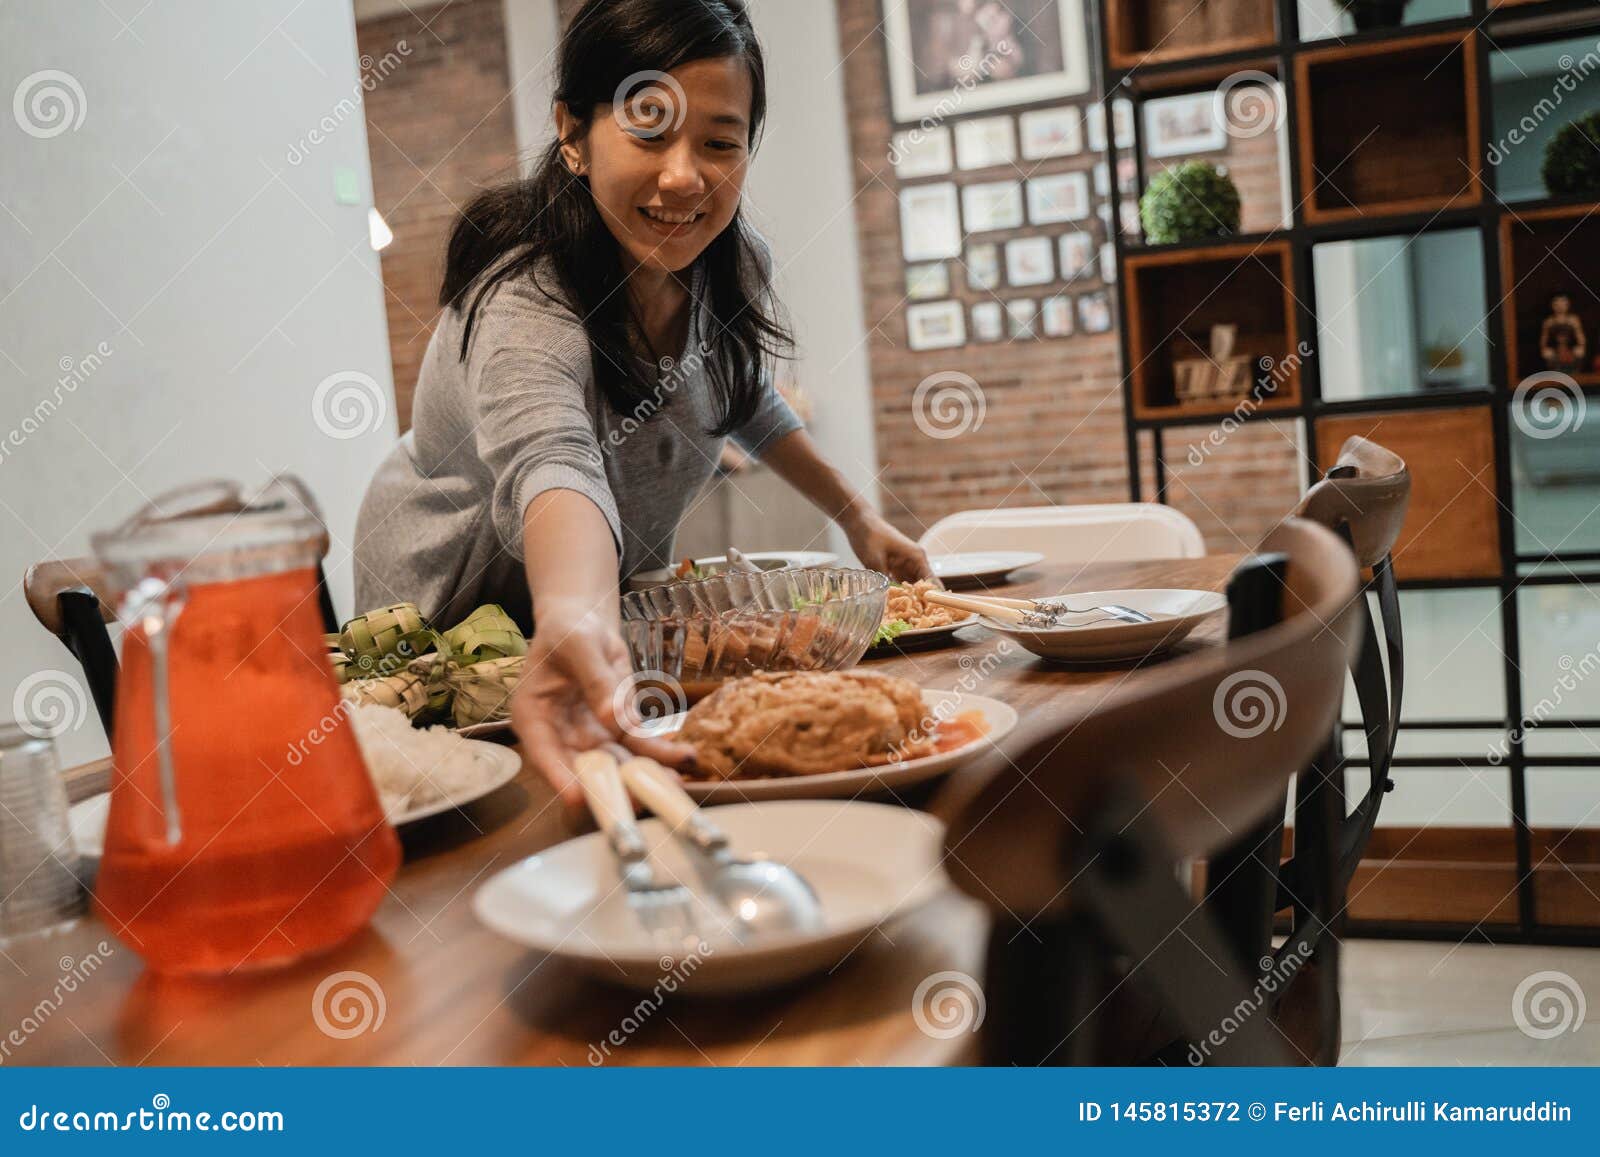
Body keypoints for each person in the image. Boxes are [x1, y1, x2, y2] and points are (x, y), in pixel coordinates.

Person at [353, 0, 931, 807]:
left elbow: (744, 396)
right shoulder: (526, 293)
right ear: (573, 133)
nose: (685, 177)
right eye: (649, 131)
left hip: (574, 625)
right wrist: (574, 613)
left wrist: (860, 518)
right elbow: (555, 463)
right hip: (445, 632)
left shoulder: (730, 264)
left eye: (721, 142)